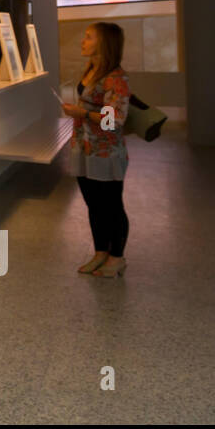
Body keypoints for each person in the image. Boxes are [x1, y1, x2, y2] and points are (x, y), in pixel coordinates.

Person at [62, 22, 130, 278]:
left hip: (106, 152)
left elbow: (116, 118)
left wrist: (82, 113)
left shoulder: (116, 77)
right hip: (83, 146)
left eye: (89, 37)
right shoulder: (91, 69)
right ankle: (101, 251)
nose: (83, 41)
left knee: (111, 204)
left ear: (103, 43)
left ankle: (117, 257)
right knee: (93, 204)